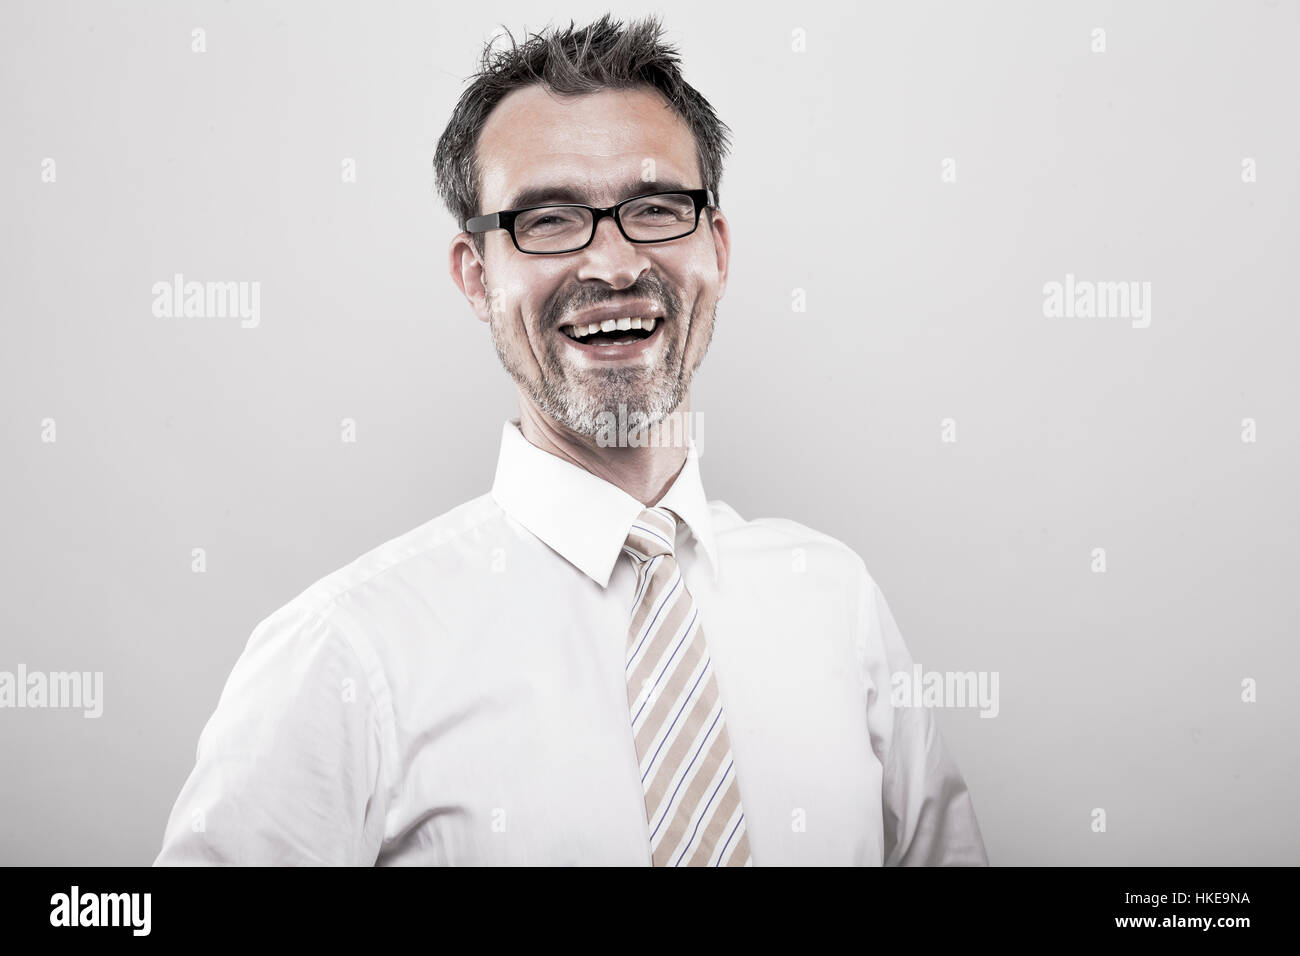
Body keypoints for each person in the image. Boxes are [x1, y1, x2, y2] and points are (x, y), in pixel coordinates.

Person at [154, 13, 988, 866]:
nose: (616, 264)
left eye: (658, 208)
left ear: (718, 249)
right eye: (548, 220)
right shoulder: (341, 656)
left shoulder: (836, 601)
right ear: (477, 276)